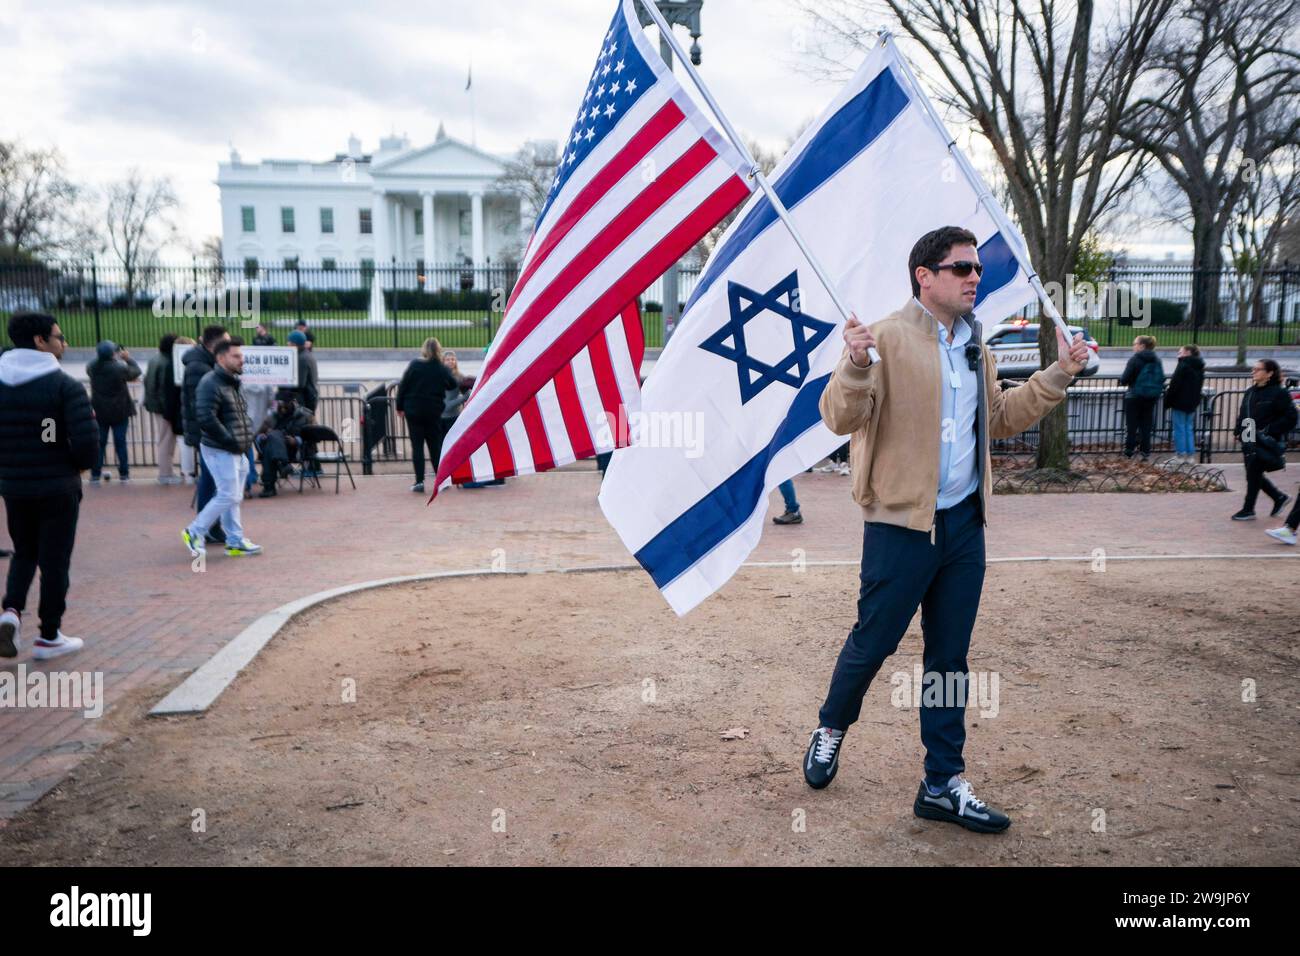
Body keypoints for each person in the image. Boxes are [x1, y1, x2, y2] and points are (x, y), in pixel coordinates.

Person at [803, 226, 1089, 834]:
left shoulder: (975, 345)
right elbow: (837, 417)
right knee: (873, 643)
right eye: (961, 268)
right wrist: (854, 365)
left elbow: (1003, 417)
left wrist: (1059, 373)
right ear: (924, 276)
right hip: (900, 528)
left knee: (949, 661)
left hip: (963, 527)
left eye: (976, 270)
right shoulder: (881, 339)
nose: (974, 278)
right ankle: (831, 726)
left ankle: (941, 783)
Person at [0, 311, 98, 660]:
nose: (64, 343)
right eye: (58, 337)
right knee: (54, 561)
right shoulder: (63, 386)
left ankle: (10, 611)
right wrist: (72, 461)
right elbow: (86, 445)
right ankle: (49, 634)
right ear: (41, 341)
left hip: (14, 485)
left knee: (24, 551)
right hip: (57, 485)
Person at [182, 337, 261, 557]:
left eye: (241, 355)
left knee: (234, 495)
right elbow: (205, 417)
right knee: (227, 494)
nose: (241, 360)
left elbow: (236, 414)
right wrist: (229, 440)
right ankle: (194, 531)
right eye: (236, 356)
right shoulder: (211, 382)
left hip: (235, 448)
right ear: (220, 358)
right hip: (221, 448)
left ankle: (234, 540)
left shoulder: (230, 381)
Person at [1231, 358, 1297, 521]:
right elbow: (1243, 413)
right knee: (1252, 474)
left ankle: (1248, 509)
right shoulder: (1250, 392)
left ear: (1269, 373)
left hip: (1265, 440)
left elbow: (1291, 417)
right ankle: (1279, 497)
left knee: (1253, 473)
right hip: (1248, 438)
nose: (1253, 372)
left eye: (1258, 369)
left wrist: (1269, 430)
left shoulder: (1279, 393)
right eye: (1253, 369)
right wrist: (1238, 430)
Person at [182, 325, 230, 543]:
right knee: (212, 480)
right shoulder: (198, 368)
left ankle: (210, 525)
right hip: (207, 432)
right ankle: (205, 527)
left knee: (213, 480)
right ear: (212, 345)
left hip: (210, 430)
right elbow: (201, 406)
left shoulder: (205, 364)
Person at [396, 337, 459, 494]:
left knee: (417, 446)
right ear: (439, 350)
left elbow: (403, 386)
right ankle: (441, 480)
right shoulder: (441, 368)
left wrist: (399, 406)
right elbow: (452, 384)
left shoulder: (415, 365)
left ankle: (419, 481)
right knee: (434, 446)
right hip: (433, 410)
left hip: (413, 409)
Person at [86, 339, 142, 482]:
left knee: (100, 443)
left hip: (100, 410)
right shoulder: (119, 368)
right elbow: (136, 372)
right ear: (112, 353)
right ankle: (124, 473)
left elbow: (93, 365)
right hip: (120, 410)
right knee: (120, 442)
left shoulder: (92, 367)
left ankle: (95, 473)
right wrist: (127, 358)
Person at [254, 390, 313, 497]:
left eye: (285, 404)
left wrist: (296, 440)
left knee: (271, 441)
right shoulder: (272, 416)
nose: (282, 407)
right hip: (276, 451)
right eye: (279, 404)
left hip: (295, 450)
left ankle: (269, 487)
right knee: (270, 440)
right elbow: (256, 436)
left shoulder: (305, 415)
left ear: (293, 402)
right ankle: (283, 464)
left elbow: (313, 438)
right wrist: (261, 437)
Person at [143, 333, 184, 484]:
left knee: (165, 439)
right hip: (163, 407)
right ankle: (165, 474)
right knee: (166, 441)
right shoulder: (167, 362)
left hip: (155, 405)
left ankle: (166, 472)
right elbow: (163, 389)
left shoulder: (155, 358)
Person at [1118, 334, 1164, 460]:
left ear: (1142, 346)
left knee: (1132, 425)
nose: (1133, 346)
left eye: (1135, 344)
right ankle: (1145, 452)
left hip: (1134, 395)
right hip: (1151, 397)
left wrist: (1123, 381)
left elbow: (1124, 379)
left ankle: (1129, 451)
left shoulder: (1135, 359)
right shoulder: (1157, 360)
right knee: (1146, 425)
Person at [1164, 343, 1205, 464]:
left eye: (1180, 352)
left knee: (1179, 428)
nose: (1178, 354)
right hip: (1192, 401)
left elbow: (1175, 385)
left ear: (1187, 353)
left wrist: (1168, 400)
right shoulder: (1199, 366)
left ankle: (1180, 455)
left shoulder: (1183, 365)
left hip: (1180, 401)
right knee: (1188, 428)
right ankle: (1190, 455)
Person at [172, 336, 197, 483]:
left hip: (179, 409)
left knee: (185, 442)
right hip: (185, 408)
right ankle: (190, 471)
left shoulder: (175, 366)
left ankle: (187, 471)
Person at [287, 330, 318, 413]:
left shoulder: (302, 358)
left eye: (289, 342)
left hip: (305, 400)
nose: (287, 344)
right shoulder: (306, 354)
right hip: (310, 397)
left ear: (295, 344)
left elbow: (300, 383)